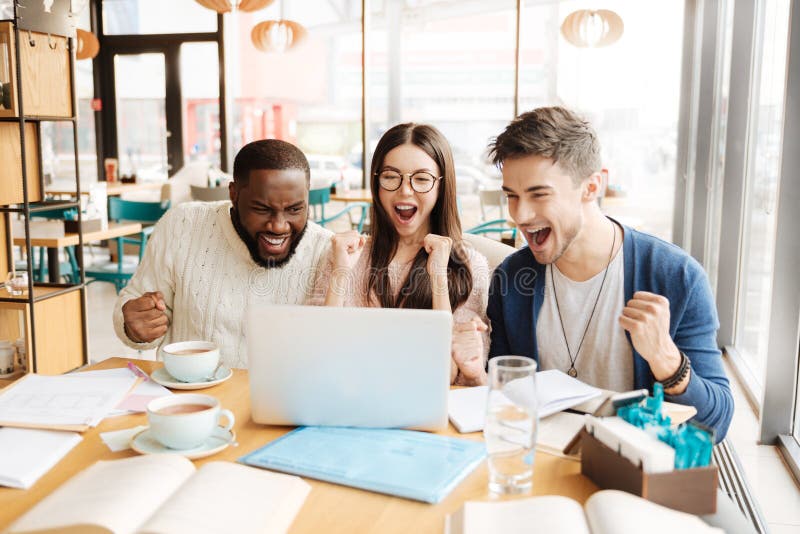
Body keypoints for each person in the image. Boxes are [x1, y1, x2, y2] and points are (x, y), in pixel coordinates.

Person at [486, 107, 733, 440]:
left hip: (631, 471)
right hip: (540, 464)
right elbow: (503, 398)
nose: (521, 214)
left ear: (592, 186)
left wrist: (667, 360)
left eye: (539, 194)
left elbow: (715, 425)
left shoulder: (677, 276)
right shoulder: (511, 278)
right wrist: (478, 372)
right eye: (512, 196)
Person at [113, 139, 333, 369]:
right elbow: (132, 306)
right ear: (234, 194)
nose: (279, 226)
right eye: (261, 209)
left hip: (282, 403)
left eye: (295, 209)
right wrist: (133, 326)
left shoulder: (325, 250)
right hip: (189, 399)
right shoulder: (182, 225)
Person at [312, 123, 490, 385]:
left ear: (441, 186)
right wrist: (340, 273)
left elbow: (447, 376)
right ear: (377, 182)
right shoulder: (346, 255)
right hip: (348, 406)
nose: (405, 190)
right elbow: (316, 356)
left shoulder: (470, 265)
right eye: (391, 176)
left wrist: (438, 276)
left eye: (421, 179)